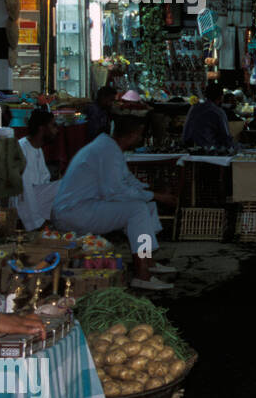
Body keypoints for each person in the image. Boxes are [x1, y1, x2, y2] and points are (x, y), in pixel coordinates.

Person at [51, 115, 179, 291]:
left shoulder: (109, 147)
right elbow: (116, 192)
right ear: (132, 135)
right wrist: (155, 195)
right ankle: (142, 274)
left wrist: (151, 192)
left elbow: (127, 180)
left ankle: (148, 261)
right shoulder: (107, 151)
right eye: (140, 135)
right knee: (137, 209)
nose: (141, 139)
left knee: (146, 205)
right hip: (75, 213)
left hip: (83, 208)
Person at [11, 108, 59, 230]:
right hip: (23, 205)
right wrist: (37, 222)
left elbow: (44, 181)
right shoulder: (22, 148)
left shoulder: (37, 148)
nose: (56, 130)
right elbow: (25, 191)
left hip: (36, 199)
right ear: (42, 128)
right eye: (53, 126)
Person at [181, 83, 235, 149]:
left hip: (187, 148)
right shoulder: (218, 112)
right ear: (221, 97)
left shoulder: (194, 108)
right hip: (207, 151)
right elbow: (226, 138)